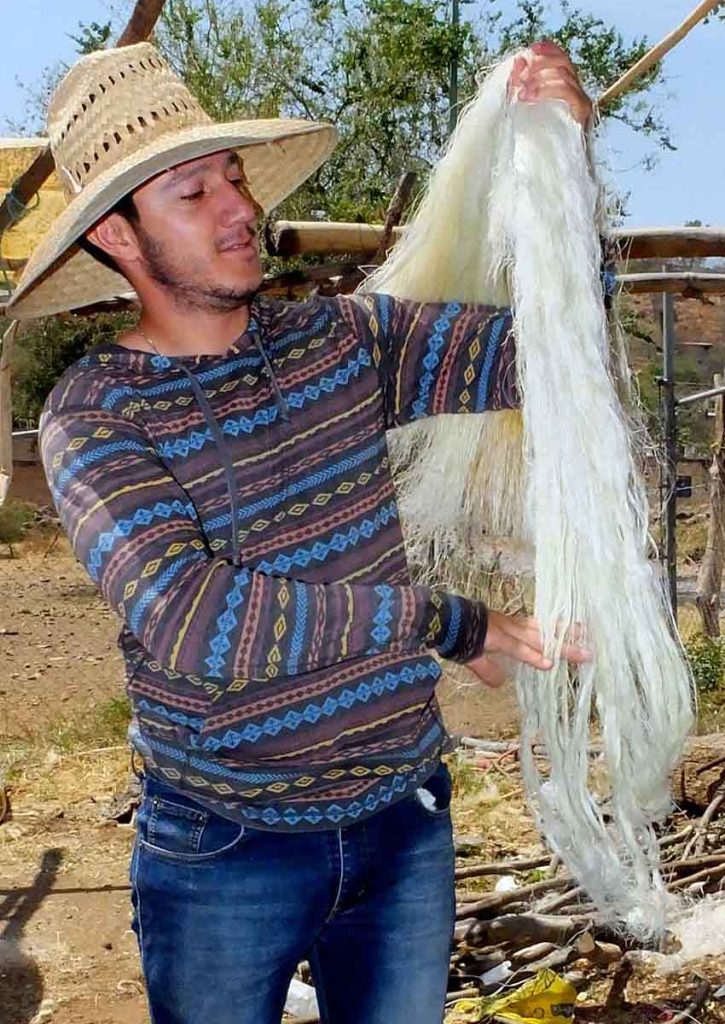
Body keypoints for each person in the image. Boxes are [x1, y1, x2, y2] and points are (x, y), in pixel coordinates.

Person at [9, 39, 593, 1024]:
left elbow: (552, 349)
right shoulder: (94, 413)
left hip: (403, 829)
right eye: (192, 193)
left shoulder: (344, 341)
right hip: (222, 856)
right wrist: (454, 623)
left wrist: (564, 162)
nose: (240, 207)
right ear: (115, 235)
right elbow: (198, 619)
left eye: (233, 177)